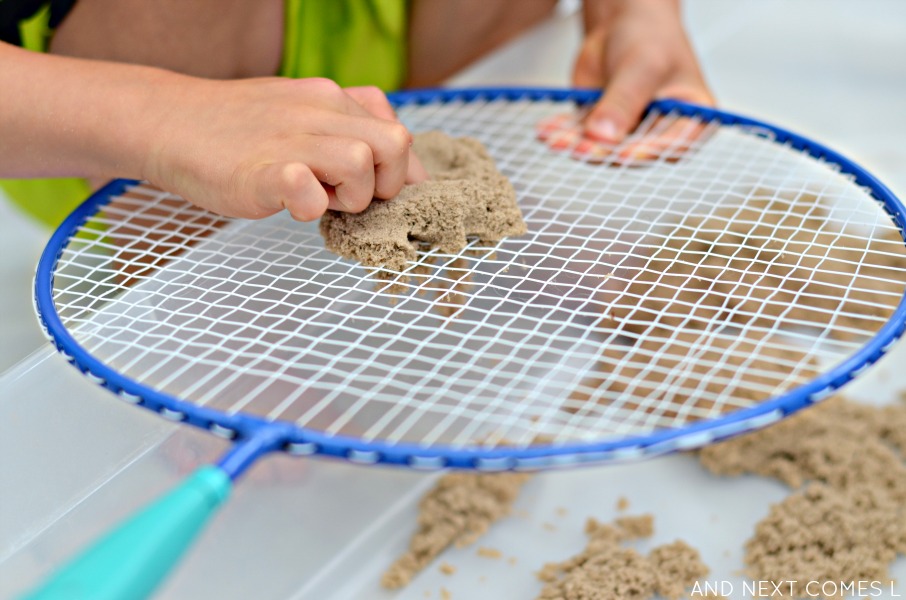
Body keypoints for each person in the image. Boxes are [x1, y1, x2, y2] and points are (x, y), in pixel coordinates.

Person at [0, 0, 713, 227]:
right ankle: (201, 289)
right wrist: (168, 118)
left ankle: (460, 210)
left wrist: (631, 11)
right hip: (94, 110)